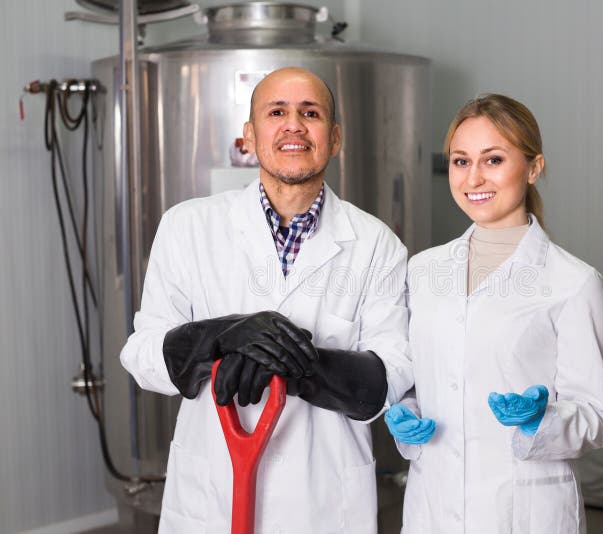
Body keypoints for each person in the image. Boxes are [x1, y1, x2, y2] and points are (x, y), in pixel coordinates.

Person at [120, 67, 413, 534]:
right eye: (277, 112)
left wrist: (299, 365)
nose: (293, 125)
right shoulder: (186, 227)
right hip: (212, 499)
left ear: (335, 139)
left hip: (321, 506)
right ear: (250, 137)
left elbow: (388, 379)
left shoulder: (378, 245)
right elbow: (142, 356)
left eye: (310, 114)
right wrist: (220, 336)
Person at [384, 94, 603, 533]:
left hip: (525, 512)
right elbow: (425, 380)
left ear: (533, 168)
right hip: (433, 507)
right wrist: (406, 411)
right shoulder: (423, 270)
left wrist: (539, 420)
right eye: (460, 161)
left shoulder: (573, 282)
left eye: (493, 160)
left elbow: (597, 417)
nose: (473, 177)